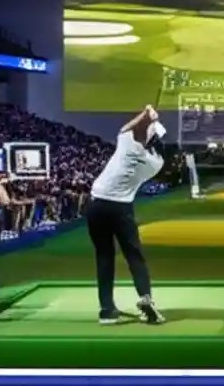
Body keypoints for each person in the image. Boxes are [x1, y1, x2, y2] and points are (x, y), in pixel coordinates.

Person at [87, 105, 166, 325]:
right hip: (122, 209)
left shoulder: (128, 144)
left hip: (97, 204)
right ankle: (145, 298)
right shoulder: (156, 163)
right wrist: (150, 121)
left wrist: (145, 113)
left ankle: (106, 310)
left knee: (104, 256)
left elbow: (126, 128)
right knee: (134, 256)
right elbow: (139, 133)